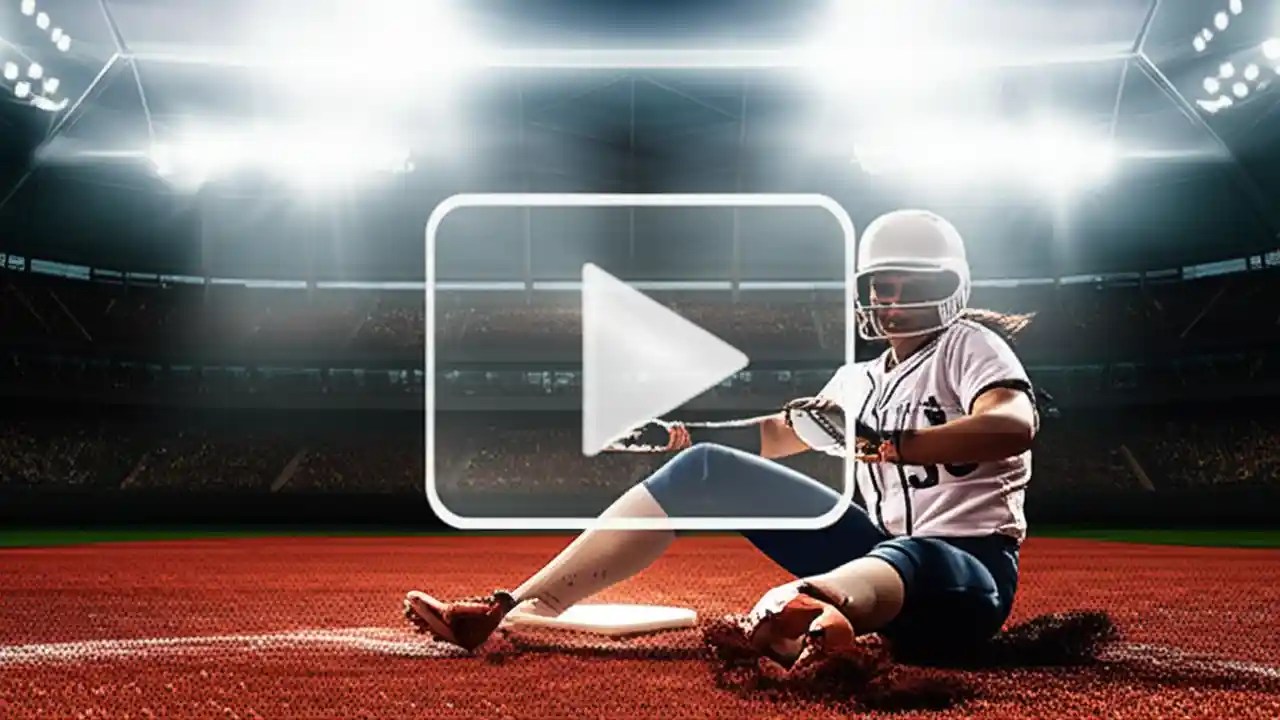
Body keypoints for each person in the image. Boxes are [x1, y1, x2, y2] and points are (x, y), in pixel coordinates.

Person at [405, 209, 1039, 668]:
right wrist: (681, 434)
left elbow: (1012, 425)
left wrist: (890, 445)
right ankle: (519, 607)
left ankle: (807, 612)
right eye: (881, 285)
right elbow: (778, 433)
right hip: (879, 550)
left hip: (970, 571)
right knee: (707, 469)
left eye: (911, 285)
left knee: (916, 556)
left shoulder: (970, 346)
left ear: (950, 287)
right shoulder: (858, 378)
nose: (891, 300)